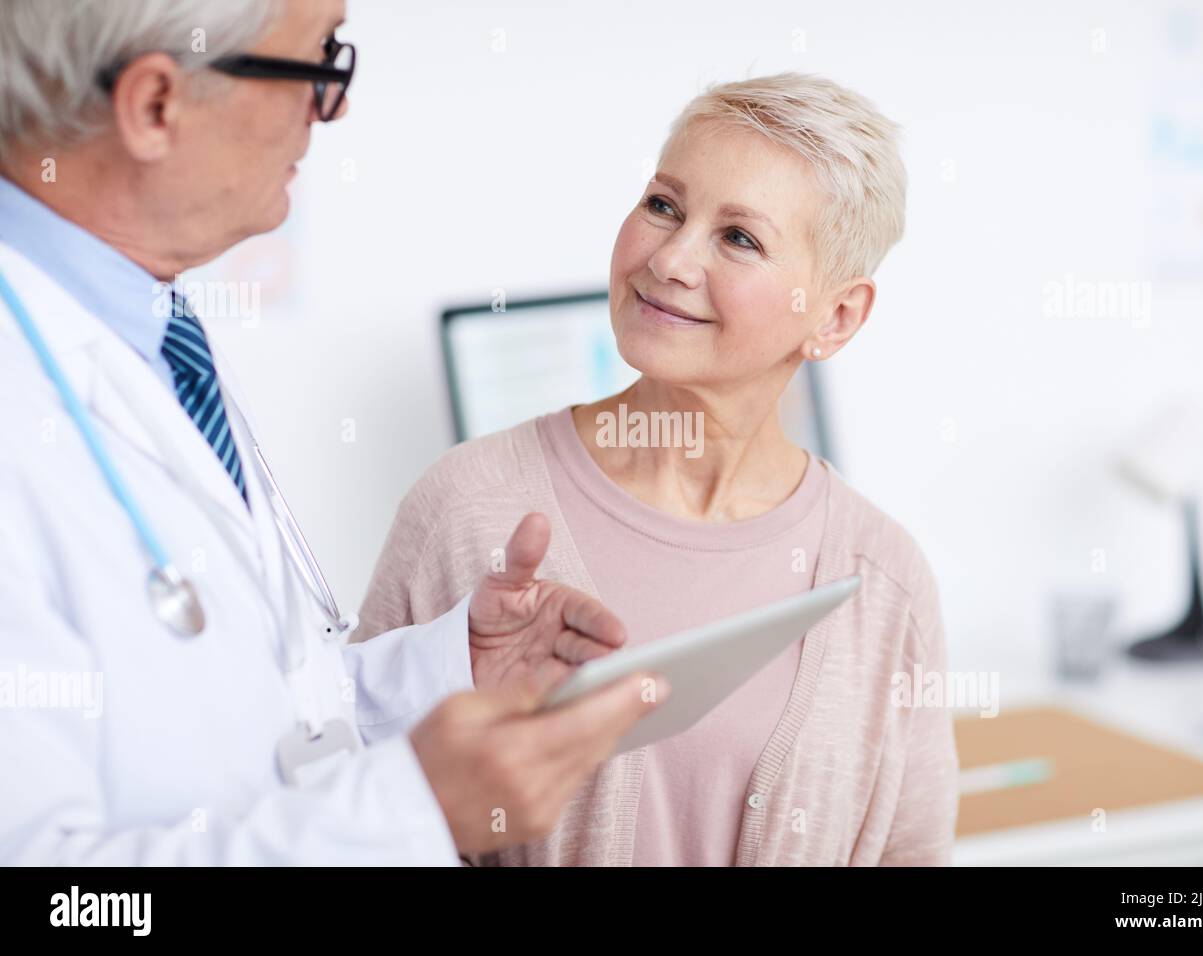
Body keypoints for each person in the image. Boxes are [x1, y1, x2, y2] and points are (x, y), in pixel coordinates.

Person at [0, 0, 664, 866]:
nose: (334, 107)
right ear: (156, 104)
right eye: (317, 65)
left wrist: (447, 671)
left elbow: (247, 710)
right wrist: (410, 817)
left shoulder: (151, 329)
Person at [358, 74, 959, 866]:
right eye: (663, 205)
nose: (670, 258)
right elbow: (348, 800)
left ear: (835, 316)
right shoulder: (467, 508)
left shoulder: (883, 580)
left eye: (739, 238)